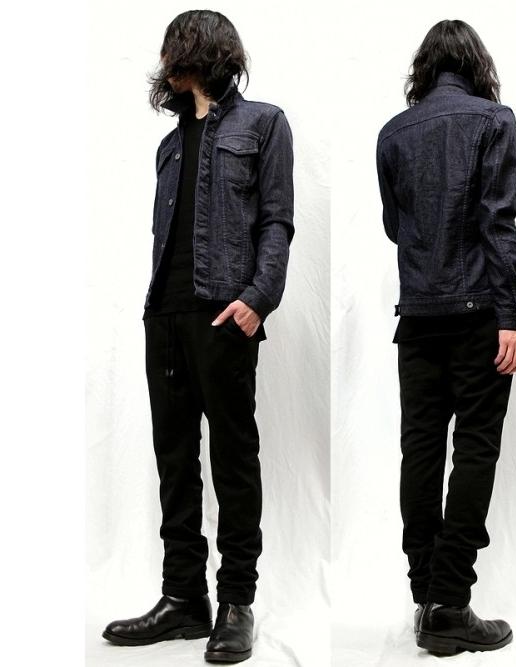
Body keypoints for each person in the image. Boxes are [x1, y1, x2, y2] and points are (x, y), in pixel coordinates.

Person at [102, 10, 294, 663]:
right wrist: (156, 311)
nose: (164, 65)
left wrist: (257, 299)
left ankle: (236, 601)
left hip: (224, 314)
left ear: (201, 51)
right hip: (165, 315)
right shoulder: (169, 144)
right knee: (174, 461)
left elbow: (276, 221)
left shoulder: (263, 123)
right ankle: (184, 597)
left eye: (173, 51)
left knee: (234, 459)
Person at [376, 19, 516, 656]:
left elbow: (396, 225)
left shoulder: (393, 133)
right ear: (475, 65)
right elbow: (497, 222)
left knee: (420, 451)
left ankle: (425, 596)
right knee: (475, 450)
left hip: (417, 315)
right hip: (477, 314)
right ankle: (450, 604)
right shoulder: (494, 121)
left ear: (425, 67)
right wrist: (512, 314)